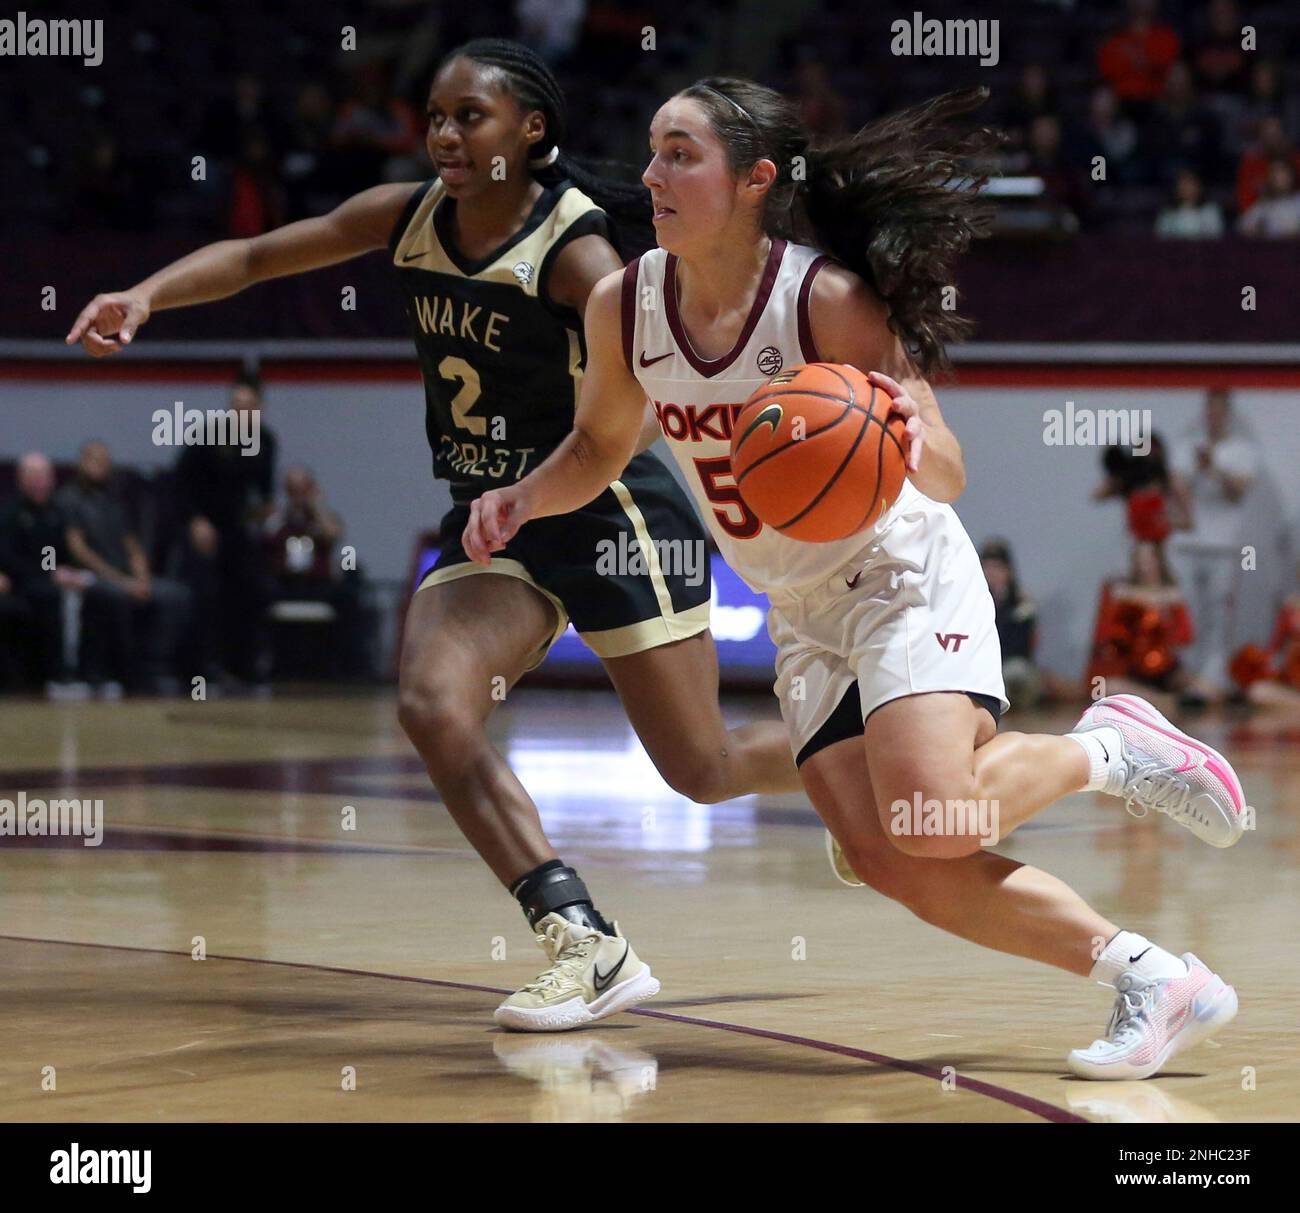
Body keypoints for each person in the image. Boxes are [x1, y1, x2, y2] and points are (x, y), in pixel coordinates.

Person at [465, 78, 1248, 1079]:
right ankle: (1152, 977)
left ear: (752, 179)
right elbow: (598, 444)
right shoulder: (626, 303)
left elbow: (951, 469)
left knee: (932, 820)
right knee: (888, 856)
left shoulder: (822, 300)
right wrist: (521, 499)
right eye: (653, 150)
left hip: (898, 573)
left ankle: (1108, 749)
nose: (651, 173)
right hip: (798, 607)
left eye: (679, 153)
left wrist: (902, 430)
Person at [66, 39, 805, 1031]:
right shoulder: (404, 215)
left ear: (530, 131)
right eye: (438, 116)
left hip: (608, 511)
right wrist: (147, 295)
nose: (447, 135)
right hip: (496, 515)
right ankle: (582, 939)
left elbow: (615, 427)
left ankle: (854, 761)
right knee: (430, 701)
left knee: (702, 768)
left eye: (472, 117)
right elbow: (254, 256)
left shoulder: (578, 257)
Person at [58, 440, 191, 694]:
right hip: (93, 576)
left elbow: (133, 546)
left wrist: (142, 578)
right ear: (81, 463)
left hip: (127, 578)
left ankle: (156, 667)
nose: (99, 465)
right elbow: (78, 550)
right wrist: (121, 580)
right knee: (114, 596)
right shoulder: (68, 499)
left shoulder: (114, 502)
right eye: (93, 459)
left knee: (178, 596)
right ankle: (123, 672)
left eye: (104, 460)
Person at [173, 372, 278, 685]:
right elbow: (181, 483)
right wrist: (195, 520)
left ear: (259, 408)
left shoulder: (266, 442)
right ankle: (197, 670)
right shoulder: (209, 435)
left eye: (247, 405)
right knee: (204, 596)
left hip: (237, 528)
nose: (240, 411)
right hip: (204, 524)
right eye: (235, 404)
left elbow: (263, 490)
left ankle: (240, 666)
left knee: (248, 593)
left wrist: (265, 511)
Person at [1169, 388, 1260, 700]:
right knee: (1188, 614)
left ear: (1227, 414)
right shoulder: (1187, 445)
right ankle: (1187, 678)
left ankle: (1213, 678)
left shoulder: (1241, 450)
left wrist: (1215, 468)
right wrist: (1196, 472)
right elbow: (1177, 484)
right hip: (1189, 542)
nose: (1213, 416)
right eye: (1209, 410)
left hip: (1223, 546)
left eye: (1219, 411)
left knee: (1219, 614)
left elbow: (1238, 491)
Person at [0, 453, 91, 693]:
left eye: (44, 476)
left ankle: (91, 672)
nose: (40, 482)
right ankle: (58, 673)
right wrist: (48, 574)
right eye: (34, 476)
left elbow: (60, 554)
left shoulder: (56, 514)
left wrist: (65, 572)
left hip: (51, 579)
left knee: (87, 592)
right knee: (50, 597)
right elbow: (9, 559)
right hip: (21, 581)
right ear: (21, 480)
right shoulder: (11, 515)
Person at [979, 539, 1041, 708]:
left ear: (1008, 571)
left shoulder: (1022, 604)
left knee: (1016, 672)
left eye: (997, 567)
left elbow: (1021, 646)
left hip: (1012, 664)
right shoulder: (977, 602)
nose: (991, 573)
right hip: (983, 667)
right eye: (987, 567)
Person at [1154, 167, 1224, 238]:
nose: (1187, 188)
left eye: (1191, 184)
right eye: (1183, 184)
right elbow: (1161, 239)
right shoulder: (1167, 213)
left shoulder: (1210, 211)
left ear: (1199, 187)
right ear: (1176, 188)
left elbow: (1216, 239)